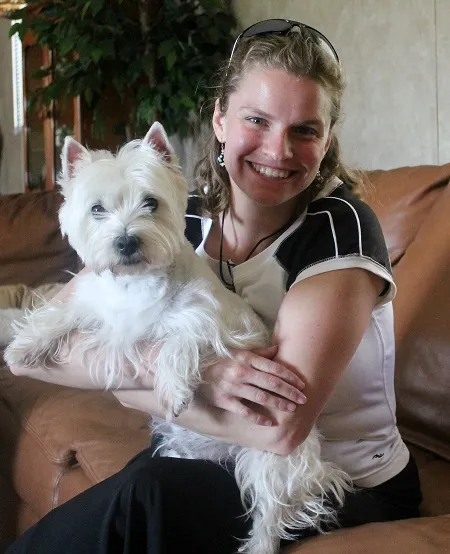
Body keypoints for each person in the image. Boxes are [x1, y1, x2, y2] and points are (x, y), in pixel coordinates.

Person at [7, 19, 422, 554]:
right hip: (208, 451)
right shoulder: (178, 214)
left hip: (335, 482)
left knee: (147, 495)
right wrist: (163, 368)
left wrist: (141, 379)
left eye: (305, 130)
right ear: (220, 120)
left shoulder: (339, 229)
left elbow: (279, 431)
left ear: (326, 140)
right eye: (257, 120)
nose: (278, 150)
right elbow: (33, 352)